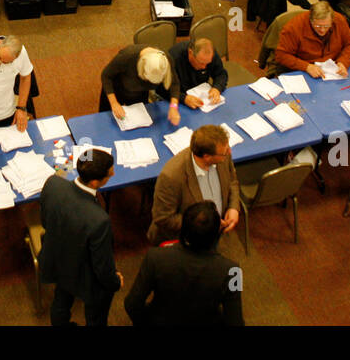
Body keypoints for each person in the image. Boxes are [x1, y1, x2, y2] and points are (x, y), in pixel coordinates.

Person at [39, 147, 121, 326]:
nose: (113, 174)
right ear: (94, 183)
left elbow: (45, 222)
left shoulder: (53, 184)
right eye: (110, 173)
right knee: (96, 315)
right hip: (84, 275)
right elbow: (102, 266)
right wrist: (115, 282)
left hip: (57, 259)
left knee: (60, 302)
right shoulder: (100, 220)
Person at [126, 200, 243, 326]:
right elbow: (235, 321)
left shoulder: (155, 257)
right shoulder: (233, 272)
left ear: (183, 229)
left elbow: (132, 304)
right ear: (216, 236)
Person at [148, 124, 240, 245]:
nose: (229, 152)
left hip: (214, 233)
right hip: (185, 240)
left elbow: (232, 181)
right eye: (224, 152)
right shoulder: (171, 177)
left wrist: (233, 207)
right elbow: (163, 218)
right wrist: (205, 224)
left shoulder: (223, 155)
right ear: (207, 156)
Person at [99, 44, 181, 124]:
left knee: (137, 123)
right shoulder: (127, 57)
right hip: (115, 90)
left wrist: (173, 106)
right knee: (106, 122)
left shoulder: (165, 60)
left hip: (140, 93)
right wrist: (114, 103)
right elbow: (106, 76)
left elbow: (174, 83)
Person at [166, 38, 228, 110]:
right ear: (190, 53)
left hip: (201, 95)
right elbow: (163, 89)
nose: (204, 67)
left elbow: (221, 74)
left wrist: (217, 88)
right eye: (201, 63)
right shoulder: (173, 58)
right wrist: (183, 98)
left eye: (207, 64)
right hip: (178, 99)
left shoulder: (210, 55)